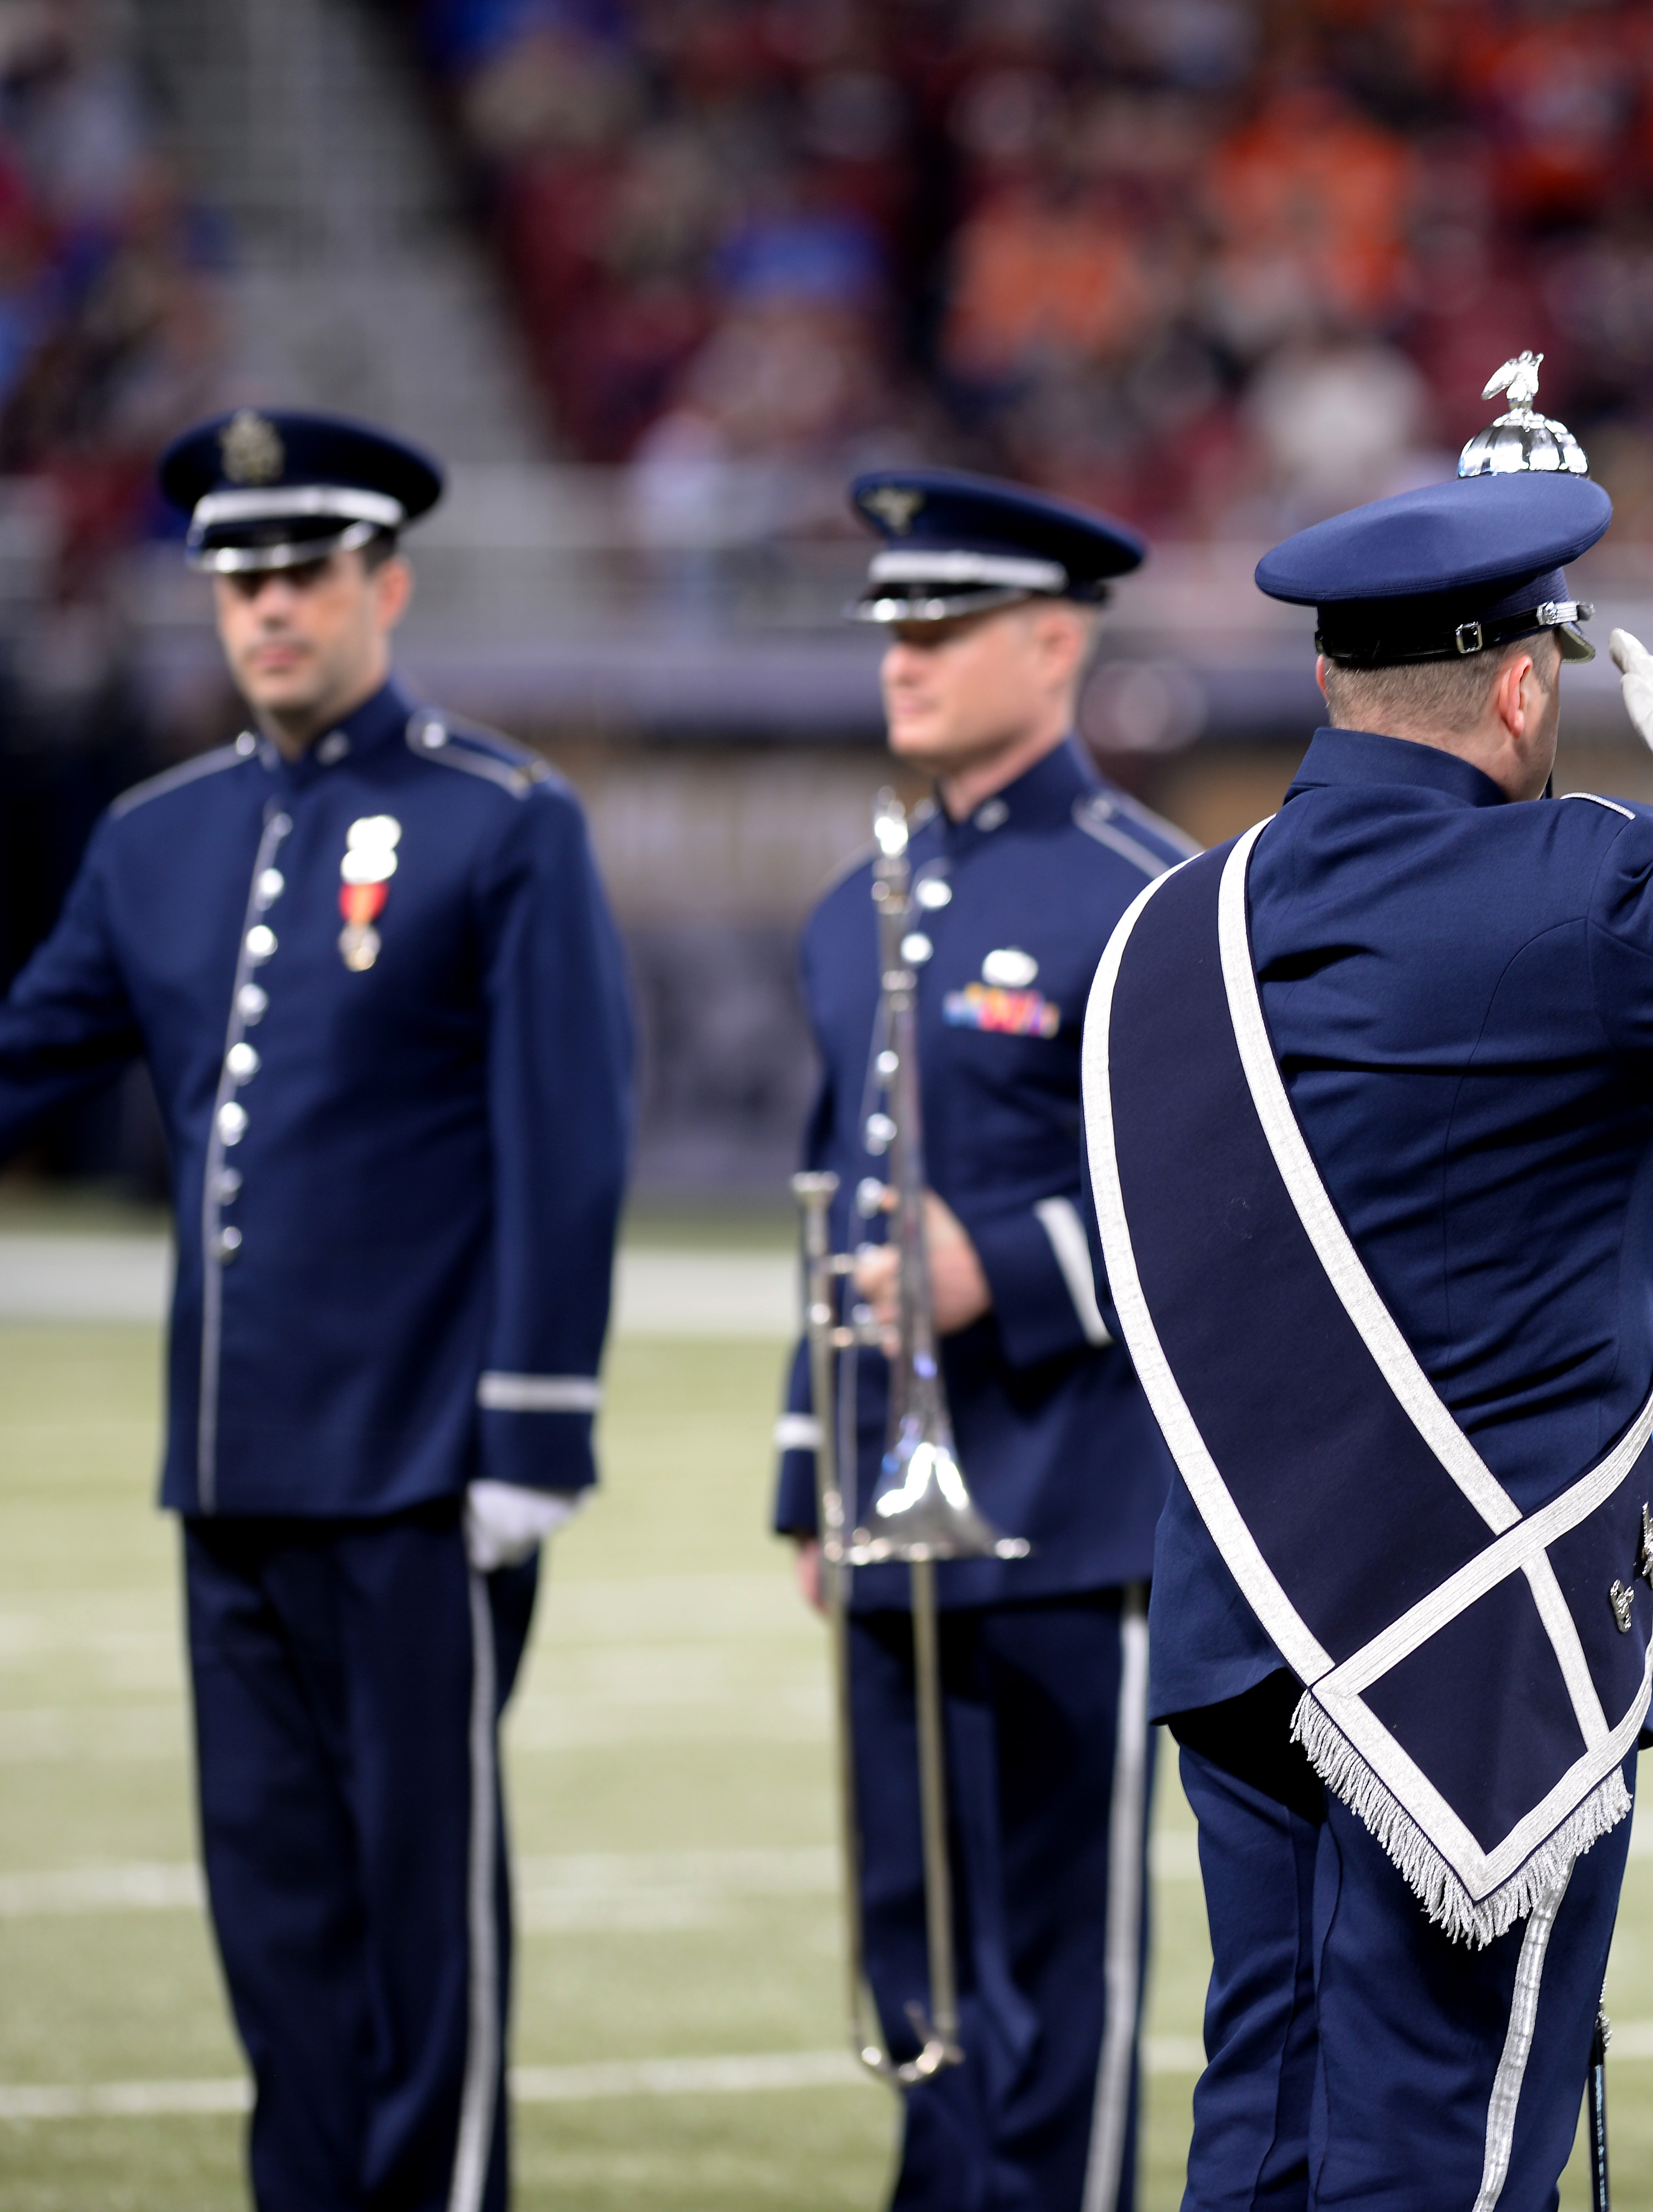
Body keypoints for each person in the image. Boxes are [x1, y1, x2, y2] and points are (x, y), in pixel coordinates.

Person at [1080, 364, 1653, 2211]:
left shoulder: (1172, 926)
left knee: (1264, 2125)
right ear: (1519, 687)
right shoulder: (1579, 879)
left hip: (1245, 1623)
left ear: (1328, 674)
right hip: (1476, 1643)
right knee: (1452, 2149)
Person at [0, 408, 633, 2211]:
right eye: (240, 580)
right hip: (228, 1471)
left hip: (422, 1477)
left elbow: (571, 1136)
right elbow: (27, 1057)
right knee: (274, 1925)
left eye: (304, 573)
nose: (269, 609)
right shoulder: (155, 839)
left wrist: (534, 1431)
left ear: (385, 584)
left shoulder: (502, 819)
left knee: (422, 1926)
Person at [773, 470, 1194, 2212]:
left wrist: (1004, 1269)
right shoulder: (851, 905)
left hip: (1073, 1501)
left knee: (1055, 1962)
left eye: (946, 626)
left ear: (1056, 641)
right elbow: (833, 1191)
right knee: (914, 1957)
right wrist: (809, 1476)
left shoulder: (1151, 896)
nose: (908, 656)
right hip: (893, 1502)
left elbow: (1218, 1197)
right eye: (896, 625)